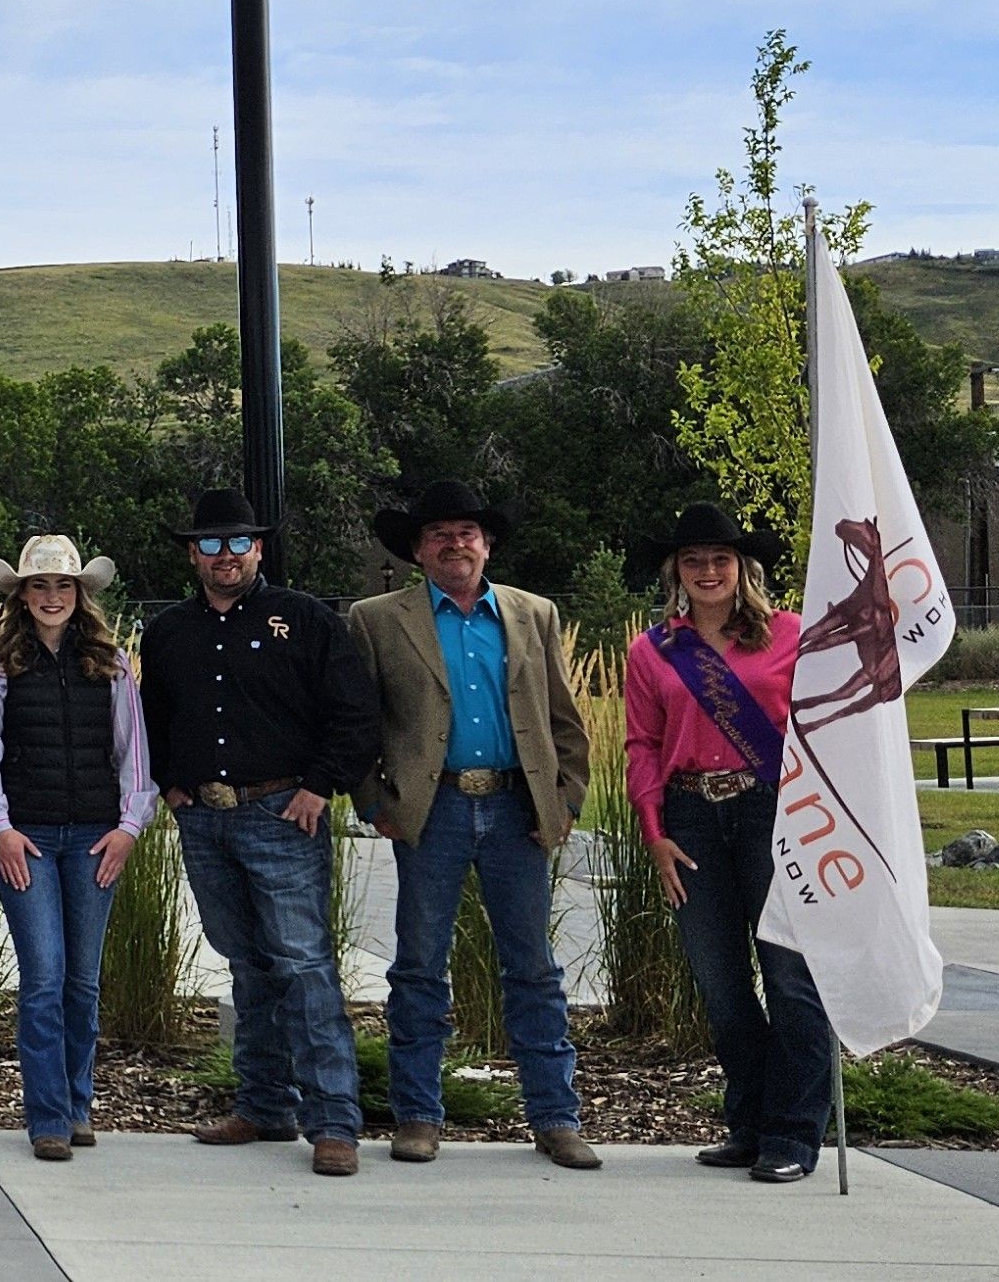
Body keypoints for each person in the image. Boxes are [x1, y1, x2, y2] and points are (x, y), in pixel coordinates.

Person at [351, 481, 601, 1171]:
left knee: (534, 970)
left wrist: (567, 800)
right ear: (417, 550)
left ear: (486, 544)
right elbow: (355, 723)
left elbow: (563, 720)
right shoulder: (375, 619)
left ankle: (555, 1117)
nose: (454, 543)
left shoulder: (532, 613)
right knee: (419, 967)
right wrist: (376, 803)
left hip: (519, 810)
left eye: (467, 532)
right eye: (439, 534)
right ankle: (418, 1116)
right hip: (431, 812)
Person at [139, 489, 379, 1177]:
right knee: (247, 963)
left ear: (259, 548)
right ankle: (265, 1101)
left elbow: (354, 713)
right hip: (204, 817)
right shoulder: (169, 632)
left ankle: (333, 1121)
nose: (225, 556)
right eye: (211, 545)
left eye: (238, 542)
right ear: (193, 553)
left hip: (283, 812)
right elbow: (151, 715)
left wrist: (319, 784)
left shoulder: (304, 619)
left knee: (303, 964)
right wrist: (170, 782)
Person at [627, 503, 831, 1184]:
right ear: (675, 572)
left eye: (721, 558)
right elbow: (642, 746)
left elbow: (826, 730)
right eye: (693, 560)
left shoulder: (791, 636)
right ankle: (748, 1124)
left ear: (743, 566)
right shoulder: (652, 651)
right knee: (721, 984)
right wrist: (654, 832)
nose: (708, 571)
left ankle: (794, 1134)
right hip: (691, 821)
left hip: (772, 813)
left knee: (790, 978)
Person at [0, 535, 154, 1162]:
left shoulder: (113, 665)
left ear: (80, 593)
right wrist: (1, 828)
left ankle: (78, 1105)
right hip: (30, 840)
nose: (51, 597)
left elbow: (134, 756)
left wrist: (129, 827)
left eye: (63, 586)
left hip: (97, 839)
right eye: (40, 586)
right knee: (43, 978)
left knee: (83, 982)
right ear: (21, 594)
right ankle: (45, 1115)